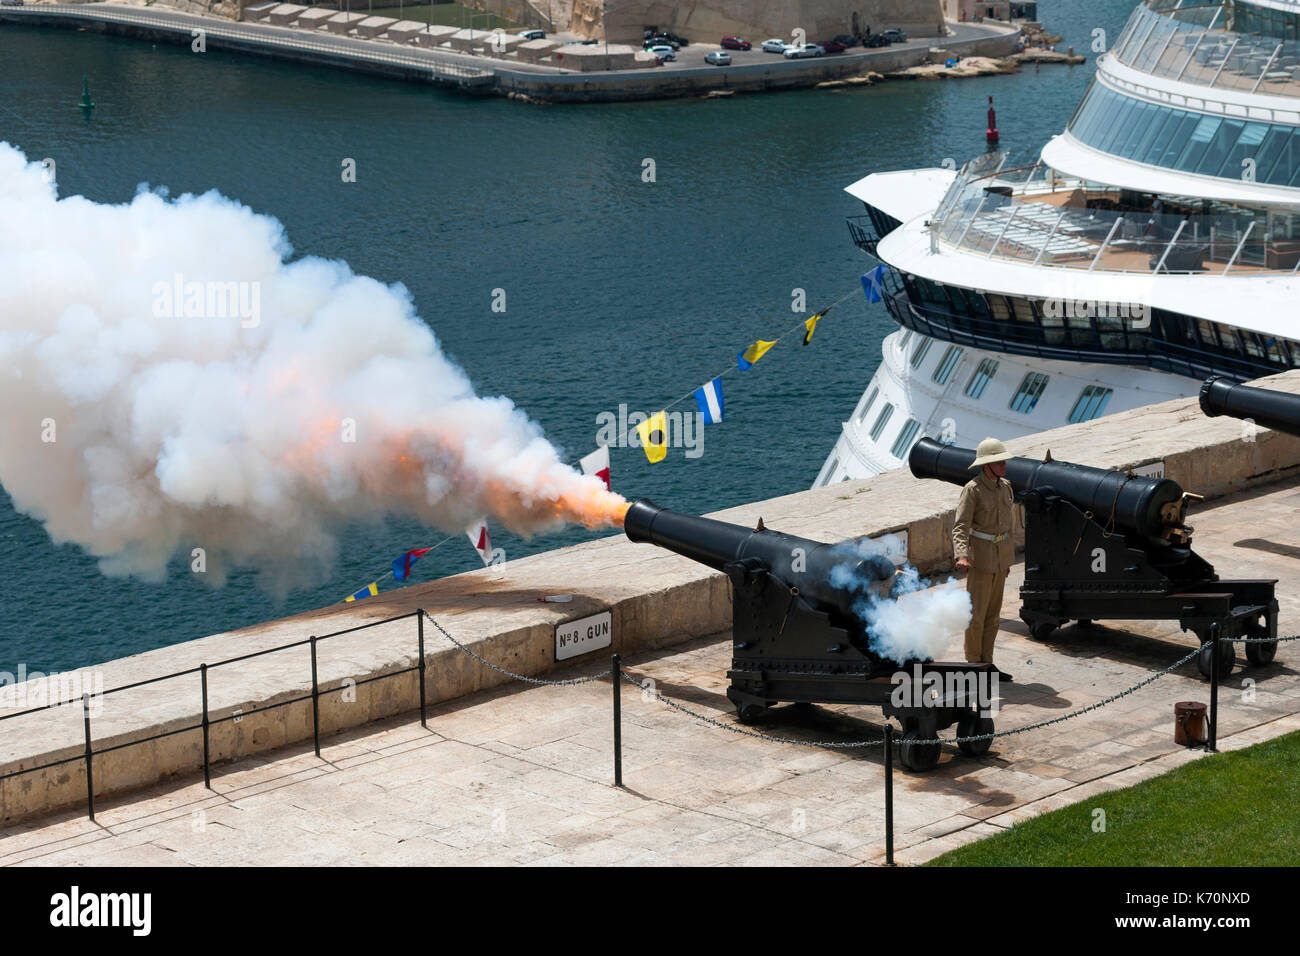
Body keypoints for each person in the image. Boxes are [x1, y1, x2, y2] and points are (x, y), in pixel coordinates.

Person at [953, 438, 1016, 680]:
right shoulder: (973, 490)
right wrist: (962, 555)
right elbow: (960, 526)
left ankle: (987, 664)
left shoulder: (1005, 486)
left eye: (1003, 461)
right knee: (976, 616)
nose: (1003, 465)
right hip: (980, 560)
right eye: (998, 462)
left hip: (1000, 561)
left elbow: (1007, 526)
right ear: (986, 465)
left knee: (993, 616)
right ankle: (973, 664)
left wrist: (1007, 560)